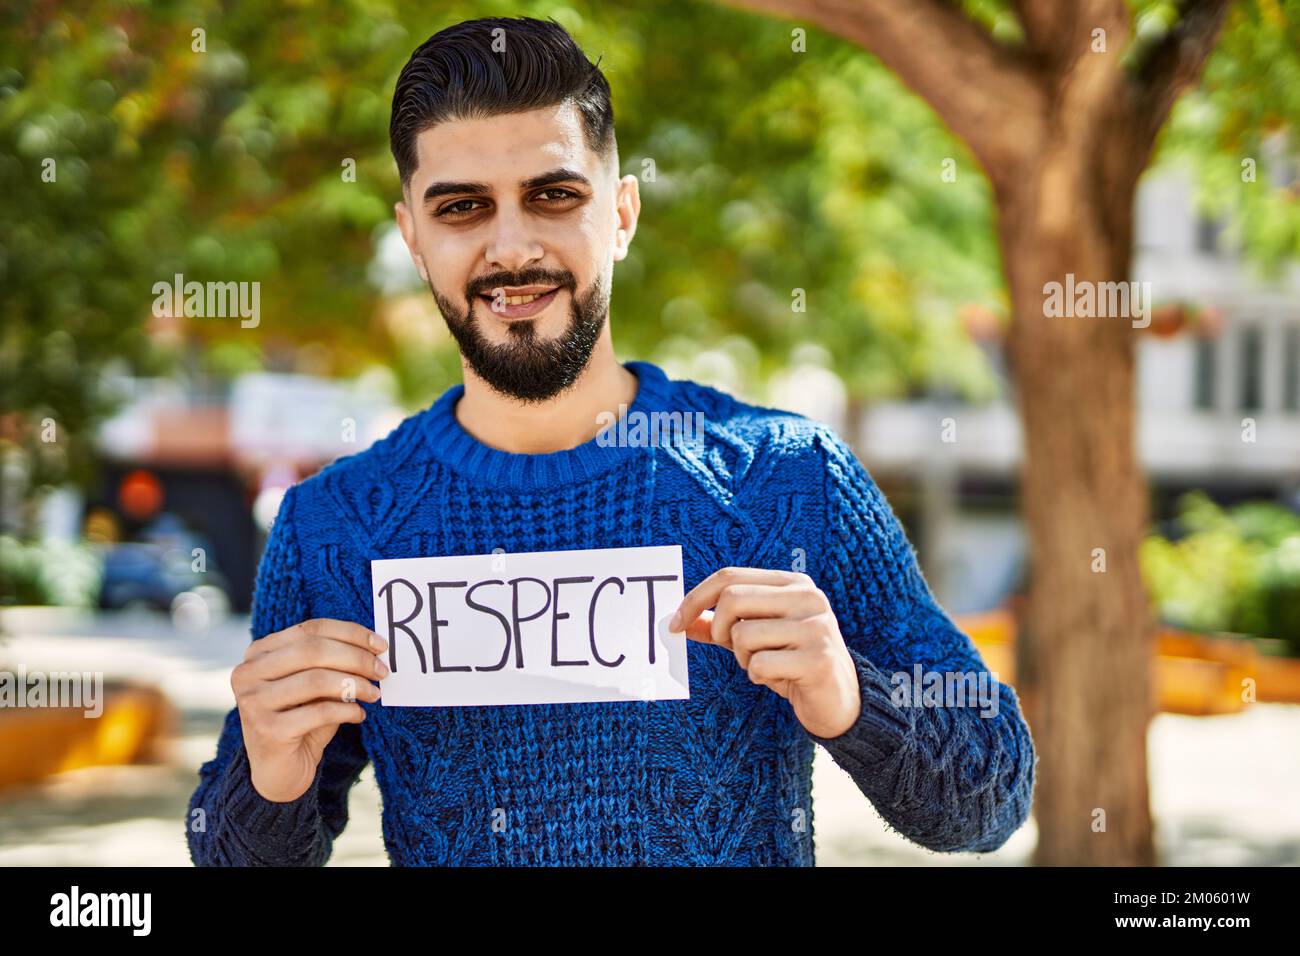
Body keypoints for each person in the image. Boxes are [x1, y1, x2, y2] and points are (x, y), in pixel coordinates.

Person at [186, 15, 1036, 866]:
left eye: (554, 195)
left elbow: (993, 797)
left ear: (621, 214)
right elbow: (224, 853)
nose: (511, 246)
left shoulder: (789, 479)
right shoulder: (334, 525)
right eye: (462, 207)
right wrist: (270, 781)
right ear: (412, 237)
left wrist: (855, 700)